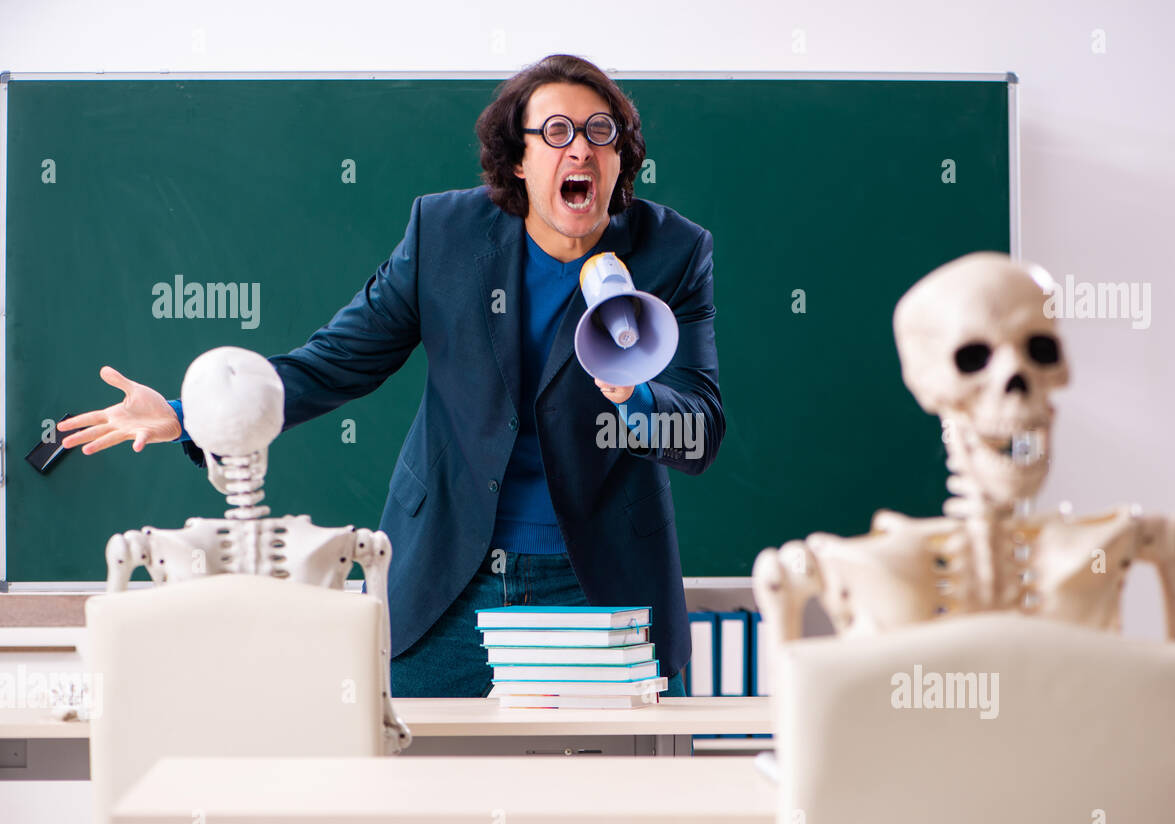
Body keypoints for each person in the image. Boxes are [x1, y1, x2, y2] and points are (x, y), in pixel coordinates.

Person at [58, 54, 725, 697]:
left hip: (593, 586)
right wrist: (190, 411)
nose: (579, 149)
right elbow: (337, 360)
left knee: (600, 801)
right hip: (447, 580)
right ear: (519, 160)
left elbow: (700, 430)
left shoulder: (672, 252)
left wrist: (633, 396)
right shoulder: (445, 234)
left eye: (599, 133)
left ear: (619, 159)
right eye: (555, 133)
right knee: (409, 786)